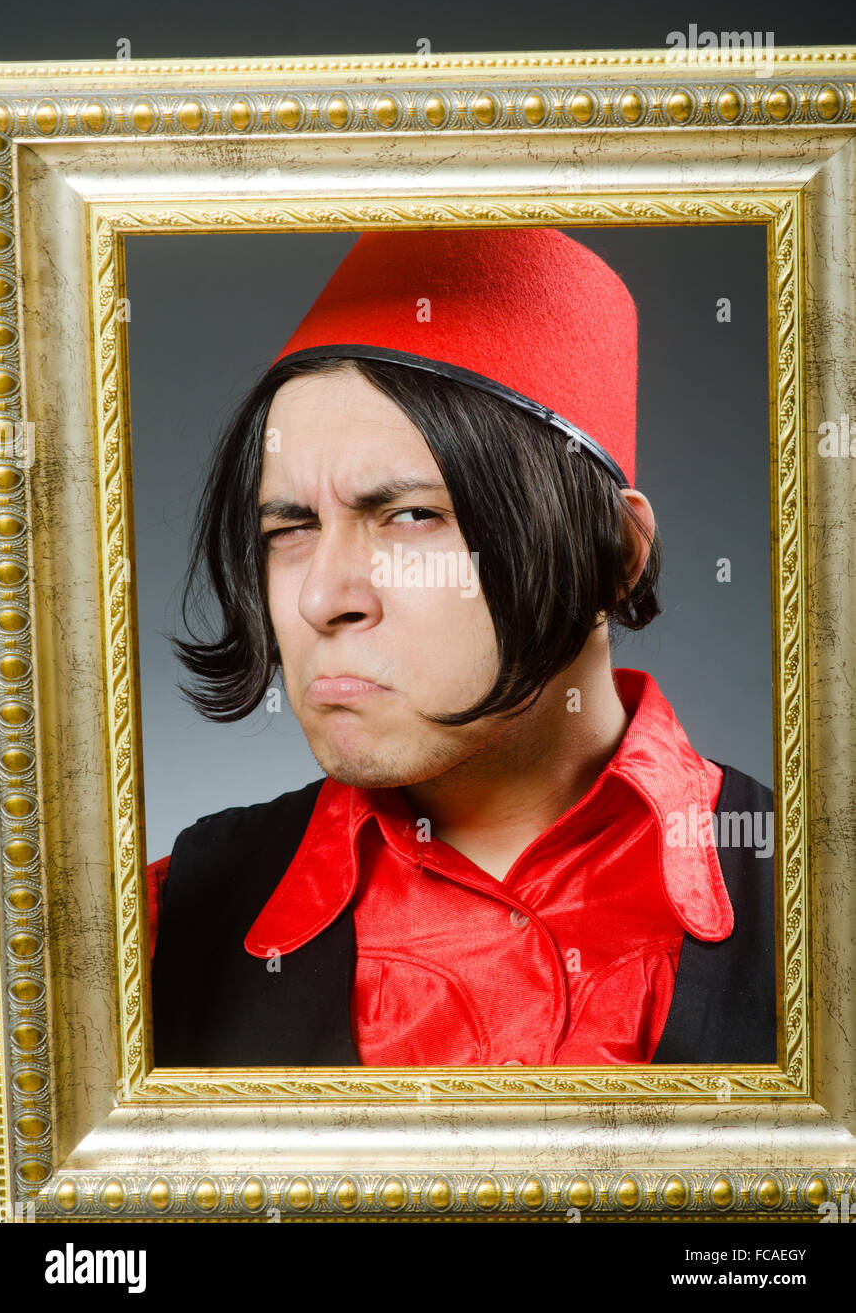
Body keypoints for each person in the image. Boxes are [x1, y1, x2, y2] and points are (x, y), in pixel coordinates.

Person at [149, 227, 775, 1068]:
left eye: (411, 516)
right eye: (290, 527)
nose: (322, 598)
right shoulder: (150, 938)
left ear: (615, 553)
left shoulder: (816, 894)